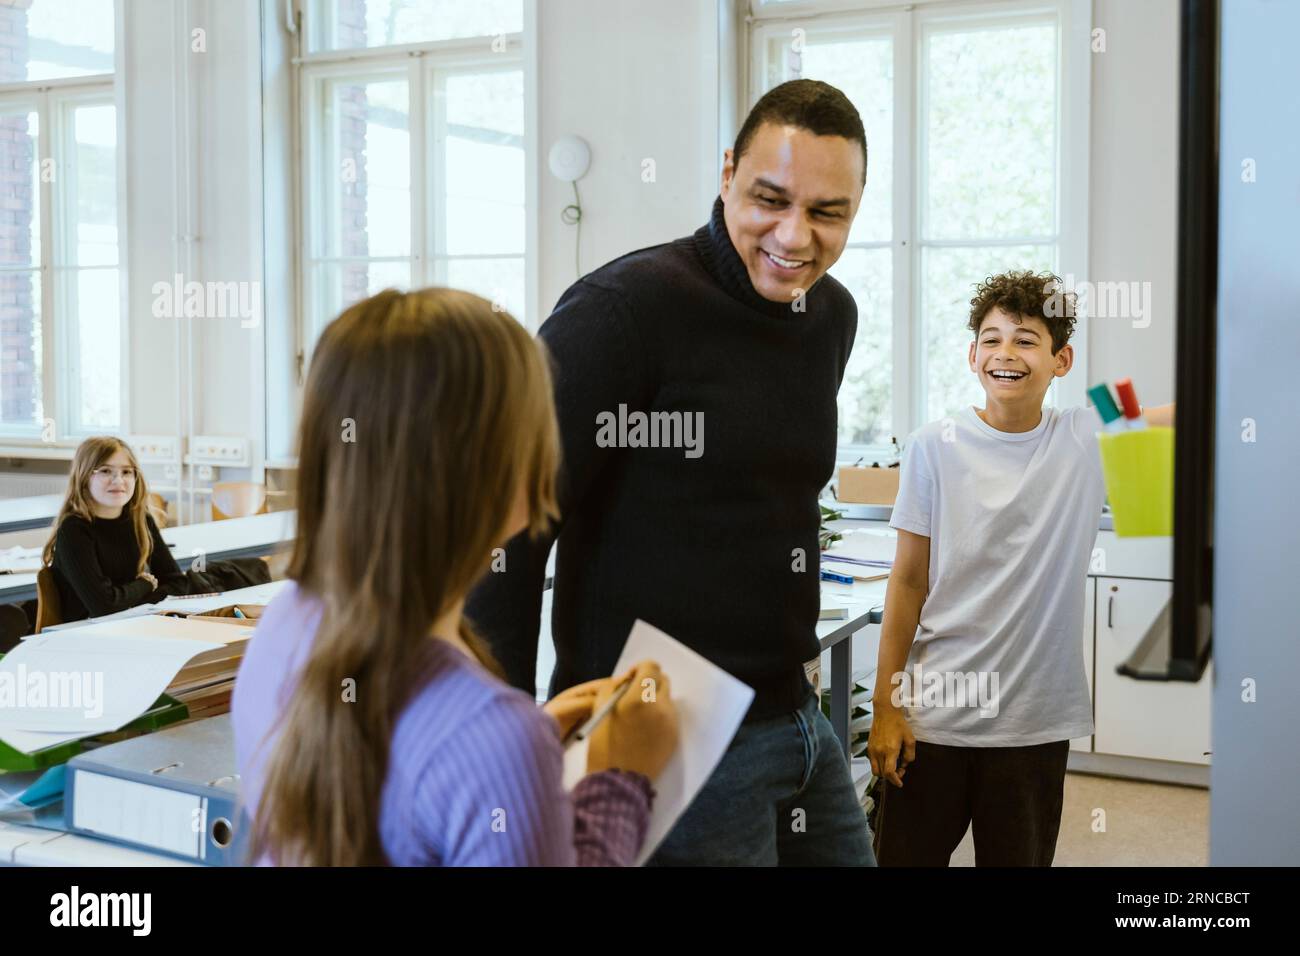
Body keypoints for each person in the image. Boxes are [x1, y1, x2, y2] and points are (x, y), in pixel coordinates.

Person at [467, 79, 875, 865]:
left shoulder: (832, 316)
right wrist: (508, 737)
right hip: (657, 727)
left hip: (794, 714)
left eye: (829, 213)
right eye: (770, 198)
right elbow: (508, 525)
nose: (795, 236)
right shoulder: (623, 310)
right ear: (726, 173)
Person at [233, 287, 679, 866]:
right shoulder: (493, 741)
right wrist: (623, 775)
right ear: (503, 469)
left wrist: (524, 744)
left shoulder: (287, 619)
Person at [867, 270, 1174, 866]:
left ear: (1062, 360)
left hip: (1032, 723)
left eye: (1027, 339)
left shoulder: (1086, 435)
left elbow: (1186, 409)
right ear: (971, 354)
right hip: (934, 716)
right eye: (992, 338)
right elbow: (907, 581)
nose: (1006, 352)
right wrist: (886, 705)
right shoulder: (934, 444)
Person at [44, 436, 187, 622]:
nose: (118, 480)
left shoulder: (140, 519)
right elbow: (104, 606)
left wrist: (133, 603)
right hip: (83, 632)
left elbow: (178, 582)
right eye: (105, 471)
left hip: (129, 622)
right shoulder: (74, 530)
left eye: (127, 472)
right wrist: (145, 584)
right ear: (84, 476)